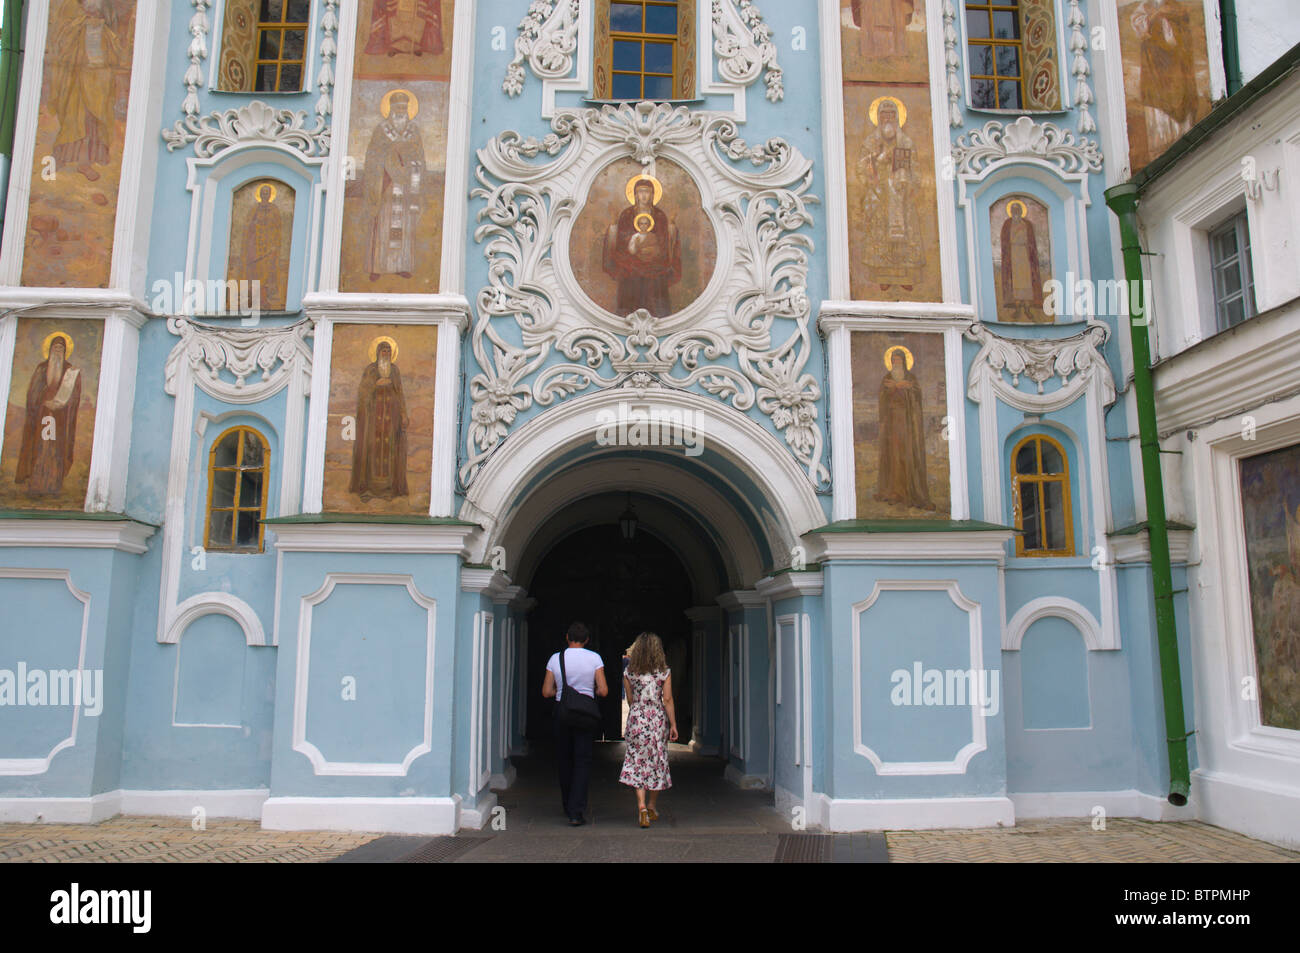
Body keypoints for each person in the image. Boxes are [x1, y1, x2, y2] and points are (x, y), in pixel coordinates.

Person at [542, 622, 609, 826]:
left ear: (567, 637)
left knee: (564, 760)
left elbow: (546, 691)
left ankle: (566, 803)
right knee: (582, 761)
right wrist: (591, 692)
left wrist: (560, 693)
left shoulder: (556, 658)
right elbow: (603, 690)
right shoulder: (594, 658)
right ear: (587, 640)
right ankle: (576, 811)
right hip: (585, 715)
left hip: (563, 714)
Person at [618, 632, 677, 828]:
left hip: (637, 719)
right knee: (657, 761)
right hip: (657, 720)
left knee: (637, 761)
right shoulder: (664, 672)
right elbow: (667, 700)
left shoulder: (629, 673)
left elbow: (630, 699)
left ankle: (641, 807)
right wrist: (673, 724)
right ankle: (651, 805)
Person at [602, 174, 681, 316]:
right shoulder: (626, 214)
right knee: (630, 282)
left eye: (647, 192)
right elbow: (620, 241)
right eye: (640, 192)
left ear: (652, 194)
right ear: (635, 194)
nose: (644, 196)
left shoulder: (659, 215)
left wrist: (671, 227)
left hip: (654, 266)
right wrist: (614, 225)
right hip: (631, 264)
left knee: (656, 290)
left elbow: (665, 241)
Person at [16, 333, 81, 497]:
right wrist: (42, 401)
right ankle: (36, 486)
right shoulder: (42, 368)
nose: (58, 351)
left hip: (60, 417)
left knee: (56, 450)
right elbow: (33, 393)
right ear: (50, 349)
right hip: (41, 415)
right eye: (55, 348)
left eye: (61, 348)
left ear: (65, 351)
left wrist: (61, 403)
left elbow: (74, 395)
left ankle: (53, 486)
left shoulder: (69, 371)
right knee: (39, 448)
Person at [349, 338, 409, 501]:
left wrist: (403, 414)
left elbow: (400, 393)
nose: (386, 354)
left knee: (390, 450)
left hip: (391, 419)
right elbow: (363, 393)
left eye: (389, 351)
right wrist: (376, 384)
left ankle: (388, 490)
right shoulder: (371, 370)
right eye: (384, 351)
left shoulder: (394, 370)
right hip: (373, 419)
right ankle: (369, 489)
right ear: (377, 353)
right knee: (372, 451)